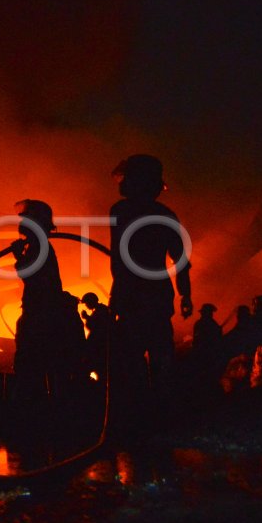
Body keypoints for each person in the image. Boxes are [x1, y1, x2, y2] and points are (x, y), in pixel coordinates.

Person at [109, 154, 192, 399]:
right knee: (160, 360)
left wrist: (117, 294)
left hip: (130, 298)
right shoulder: (166, 216)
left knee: (131, 362)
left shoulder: (120, 211)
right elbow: (180, 261)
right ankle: (162, 407)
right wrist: (185, 294)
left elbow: (118, 259)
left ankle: (138, 409)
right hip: (157, 297)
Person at [11, 199, 63, 401]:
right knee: (43, 366)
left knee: (31, 365)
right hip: (42, 315)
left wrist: (18, 257)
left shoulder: (39, 247)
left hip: (40, 317)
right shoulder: (37, 246)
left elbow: (30, 275)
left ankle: (31, 408)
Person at [81, 291, 113, 380]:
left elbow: (97, 327)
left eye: (87, 303)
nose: (86, 306)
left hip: (99, 348)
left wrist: (87, 317)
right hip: (97, 347)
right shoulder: (100, 310)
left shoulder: (102, 311)